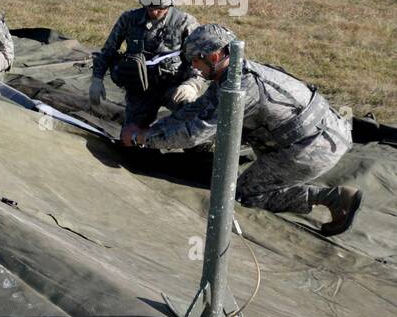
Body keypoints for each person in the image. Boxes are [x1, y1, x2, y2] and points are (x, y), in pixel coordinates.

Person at [124, 24, 362, 236]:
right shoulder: (234, 73)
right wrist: (153, 128)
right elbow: (197, 109)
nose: (194, 68)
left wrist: (141, 137)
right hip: (317, 134)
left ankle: (333, 199)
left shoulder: (241, 88)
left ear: (215, 56)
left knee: (245, 194)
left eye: (196, 60)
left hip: (313, 146)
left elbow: (196, 133)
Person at [90, 0, 205, 140]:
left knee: (195, 125)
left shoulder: (185, 23)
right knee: (131, 138)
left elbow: (201, 58)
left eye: (160, 8)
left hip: (174, 87)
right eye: (149, 7)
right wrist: (97, 79)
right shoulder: (129, 20)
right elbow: (108, 50)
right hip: (140, 90)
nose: (154, 12)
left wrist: (192, 84)